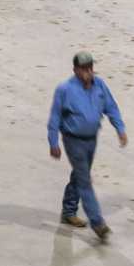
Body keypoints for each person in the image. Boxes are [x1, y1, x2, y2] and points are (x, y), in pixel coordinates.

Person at [48, 51, 126, 239]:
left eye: (90, 67)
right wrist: (53, 141)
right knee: (84, 180)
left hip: (91, 139)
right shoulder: (65, 89)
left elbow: (111, 107)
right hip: (73, 140)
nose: (88, 71)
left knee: (79, 175)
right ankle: (98, 223)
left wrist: (120, 129)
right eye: (84, 68)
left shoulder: (100, 85)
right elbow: (55, 117)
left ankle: (68, 211)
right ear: (75, 70)